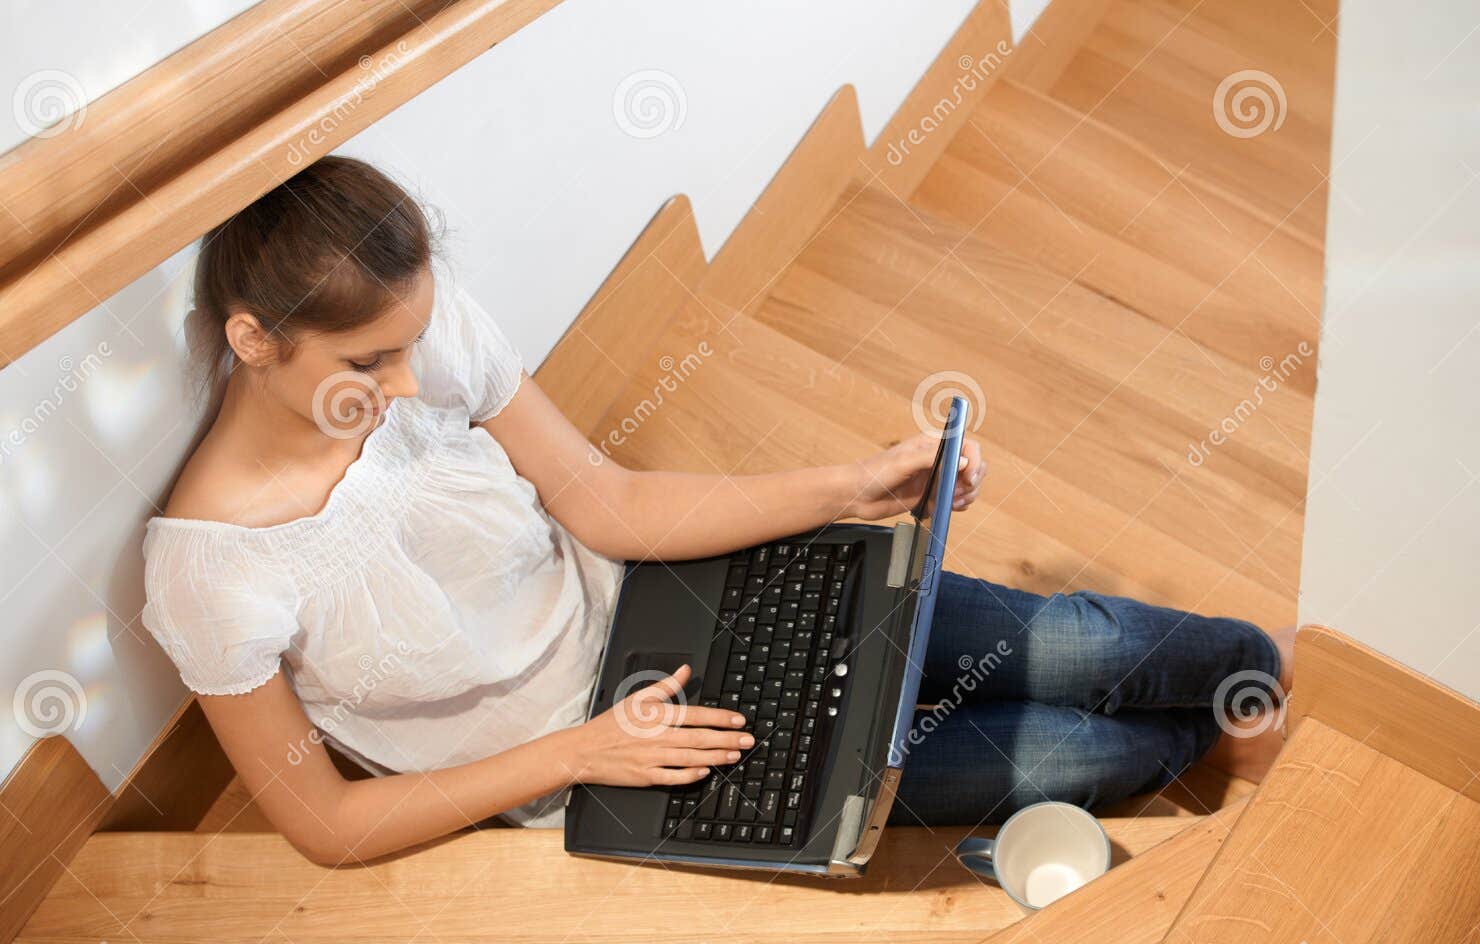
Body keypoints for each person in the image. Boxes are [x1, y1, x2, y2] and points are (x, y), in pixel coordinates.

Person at [142, 156, 1289, 867]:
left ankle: (1271, 677)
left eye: (411, 342)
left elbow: (606, 500)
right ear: (254, 340)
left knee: (1096, 640)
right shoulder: (211, 573)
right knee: (1088, 753)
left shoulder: (414, 336)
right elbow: (326, 826)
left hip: (667, 600)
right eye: (370, 361)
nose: (408, 381)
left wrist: (851, 485)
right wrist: (587, 749)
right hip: (610, 755)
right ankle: (1226, 735)